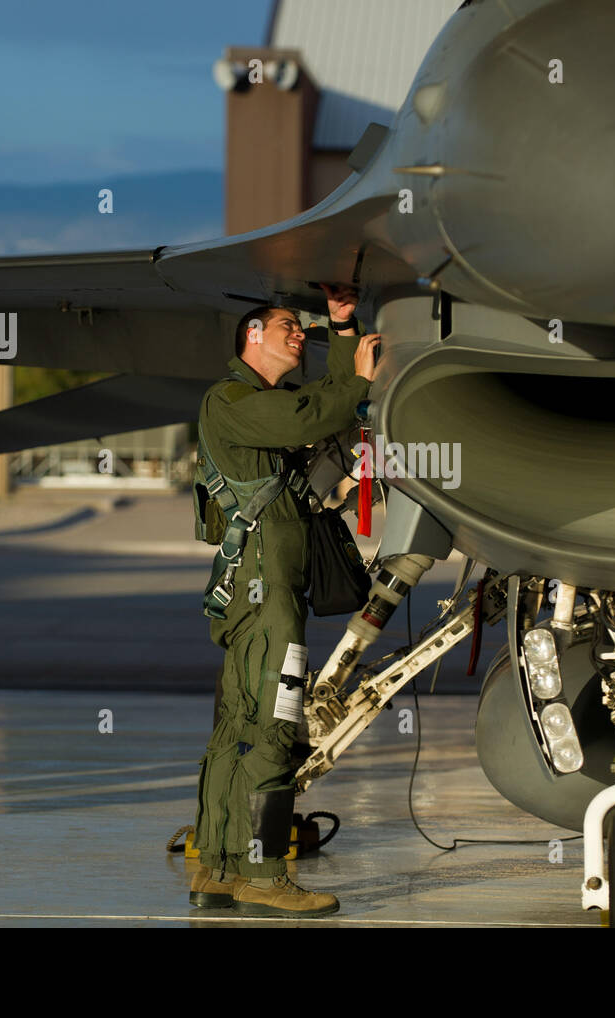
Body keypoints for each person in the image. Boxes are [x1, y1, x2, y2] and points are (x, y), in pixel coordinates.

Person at [190, 284, 379, 917]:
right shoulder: (233, 399)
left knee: (237, 729)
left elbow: (316, 406)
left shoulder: (262, 401)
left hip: (261, 589)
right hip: (266, 593)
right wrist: (357, 380)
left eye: (303, 329)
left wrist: (342, 328)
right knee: (274, 725)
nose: (298, 335)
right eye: (284, 327)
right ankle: (264, 875)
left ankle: (217, 869)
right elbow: (315, 417)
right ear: (251, 337)